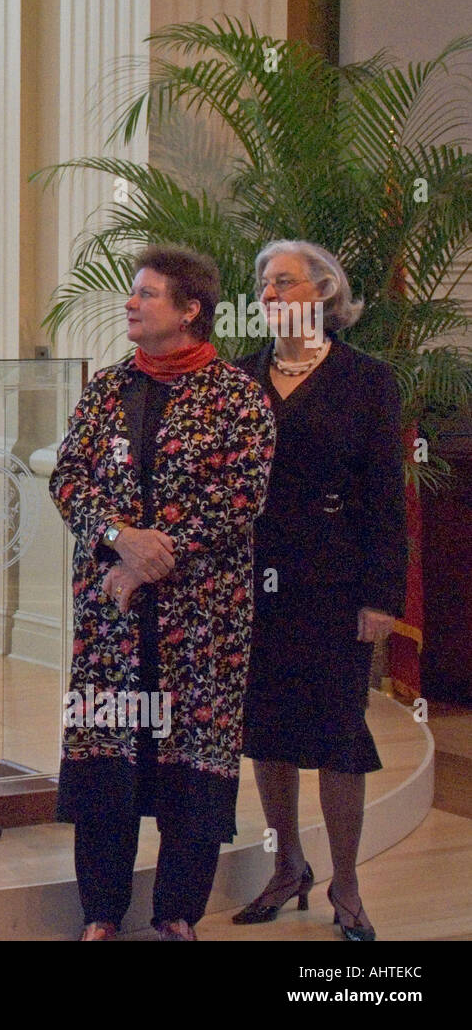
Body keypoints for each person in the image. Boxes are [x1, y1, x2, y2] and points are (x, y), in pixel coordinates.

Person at [49, 245, 276, 941]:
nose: (130, 303)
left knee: (193, 766)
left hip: (203, 619)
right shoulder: (107, 389)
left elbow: (241, 493)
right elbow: (68, 478)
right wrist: (120, 537)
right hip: (112, 620)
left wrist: (150, 557)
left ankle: (177, 910)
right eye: (132, 293)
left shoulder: (238, 395)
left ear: (189, 311)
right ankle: (101, 913)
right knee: (108, 764)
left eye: (146, 294)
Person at [231, 241, 405, 941]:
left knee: (337, 734)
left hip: (336, 579)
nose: (269, 295)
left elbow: (386, 497)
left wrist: (383, 596)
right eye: (264, 285)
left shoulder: (368, 380)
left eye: (283, 282)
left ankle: (349, 888)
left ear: (323, 292)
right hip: (256, 576)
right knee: (267, 727)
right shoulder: (241, 378)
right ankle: (288, 867)